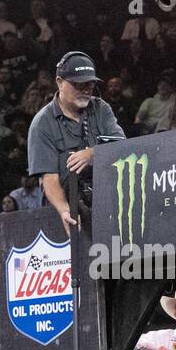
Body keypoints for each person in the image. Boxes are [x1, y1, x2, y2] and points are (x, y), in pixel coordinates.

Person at [27, 51, 126, 232]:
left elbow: (122, 147)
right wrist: (65, 210)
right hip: (66, 211)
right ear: (59, 82)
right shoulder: (42, 123)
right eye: (78, 84)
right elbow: (49, 177)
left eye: (90, 84)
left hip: (107, 205)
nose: (86, 89)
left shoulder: (101, 109)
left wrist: (93, 154)